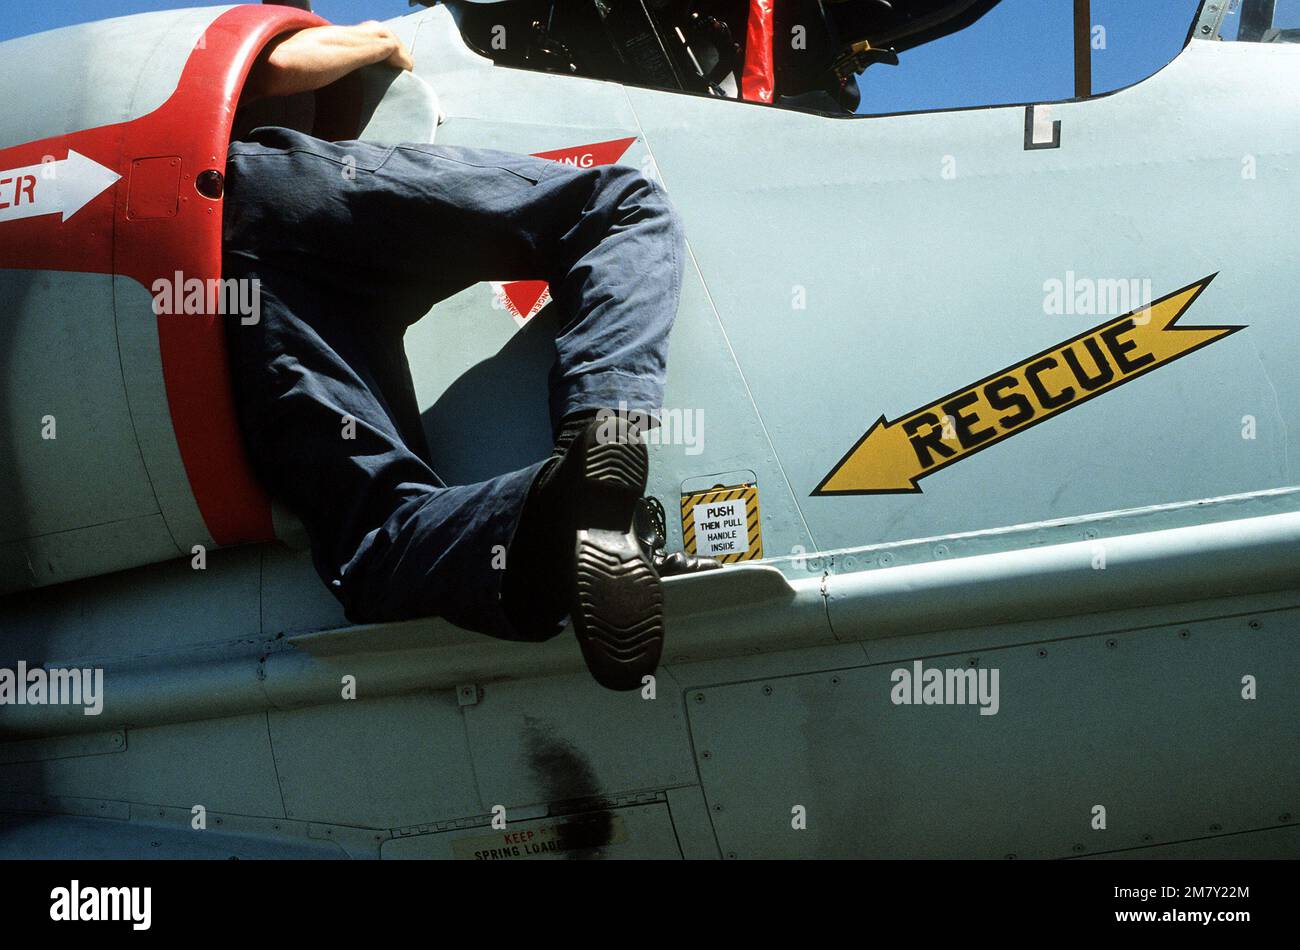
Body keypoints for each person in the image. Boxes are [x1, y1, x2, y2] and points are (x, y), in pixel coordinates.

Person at [222, 22, 719, 693]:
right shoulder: (242, 83)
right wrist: (374, 42)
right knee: (617, 207)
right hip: (277, 192)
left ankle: (554, 513)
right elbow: (271, 67)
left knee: (376, 548)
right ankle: (604, 429)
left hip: (237, 288)